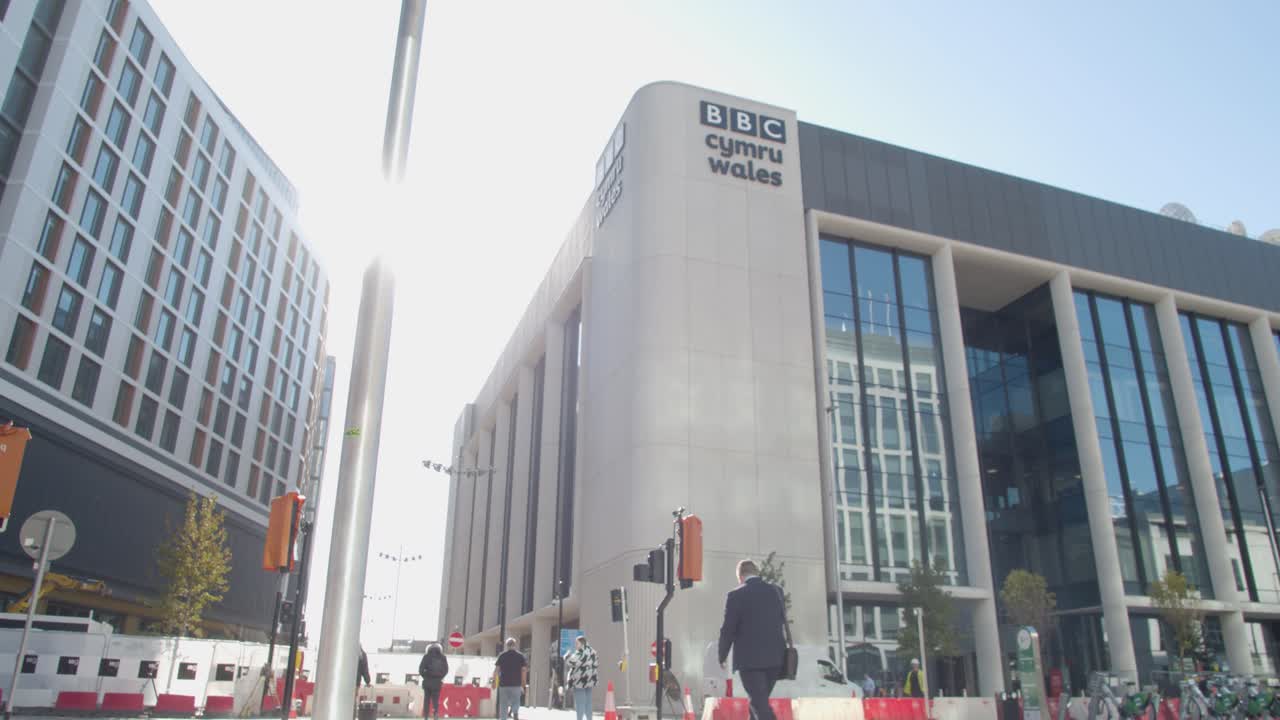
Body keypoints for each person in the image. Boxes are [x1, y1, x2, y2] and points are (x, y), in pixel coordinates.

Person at [718, 559, 787, 720]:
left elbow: (728, 629)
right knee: (757, 703)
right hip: (775, 659)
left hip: (750, 661)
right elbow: (781, 620)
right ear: (757, 573)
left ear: (740, 577)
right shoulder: (777, 591)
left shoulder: (736, 595)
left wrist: (722, 655)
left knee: (759, 705)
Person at [563, 635, 599, 720]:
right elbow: (596, 664)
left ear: (581, 643)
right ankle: (589, 718)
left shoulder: (580, 652)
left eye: (577, 643)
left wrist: (566, 656)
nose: (576, 645)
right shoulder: (593, 651)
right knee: (588, 703)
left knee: (580, 703)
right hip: (590, 680)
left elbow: (572, 662)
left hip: (580, 681)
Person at [494, 638, 528, 720]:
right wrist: (523, 683)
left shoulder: (502, 655)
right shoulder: (520, 656)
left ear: (507, 645)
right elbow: (523, 671)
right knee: (516, 701)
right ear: (515, 645)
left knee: (503, 704)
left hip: (503, 684)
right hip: (516, 684)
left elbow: (496, 670)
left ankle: (503, 718)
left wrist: (494, 682)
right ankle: (515, 712)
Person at [418, 643, 449, 720]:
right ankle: (435, 713)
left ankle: (426, 716)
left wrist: (425, 676)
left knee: (427, 699)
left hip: (427, 681)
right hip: (437, 682)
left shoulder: (426, 657)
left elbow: (421, 669)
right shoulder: (443, 657)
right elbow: (446, 670)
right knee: (435, 699)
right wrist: (440, 677)